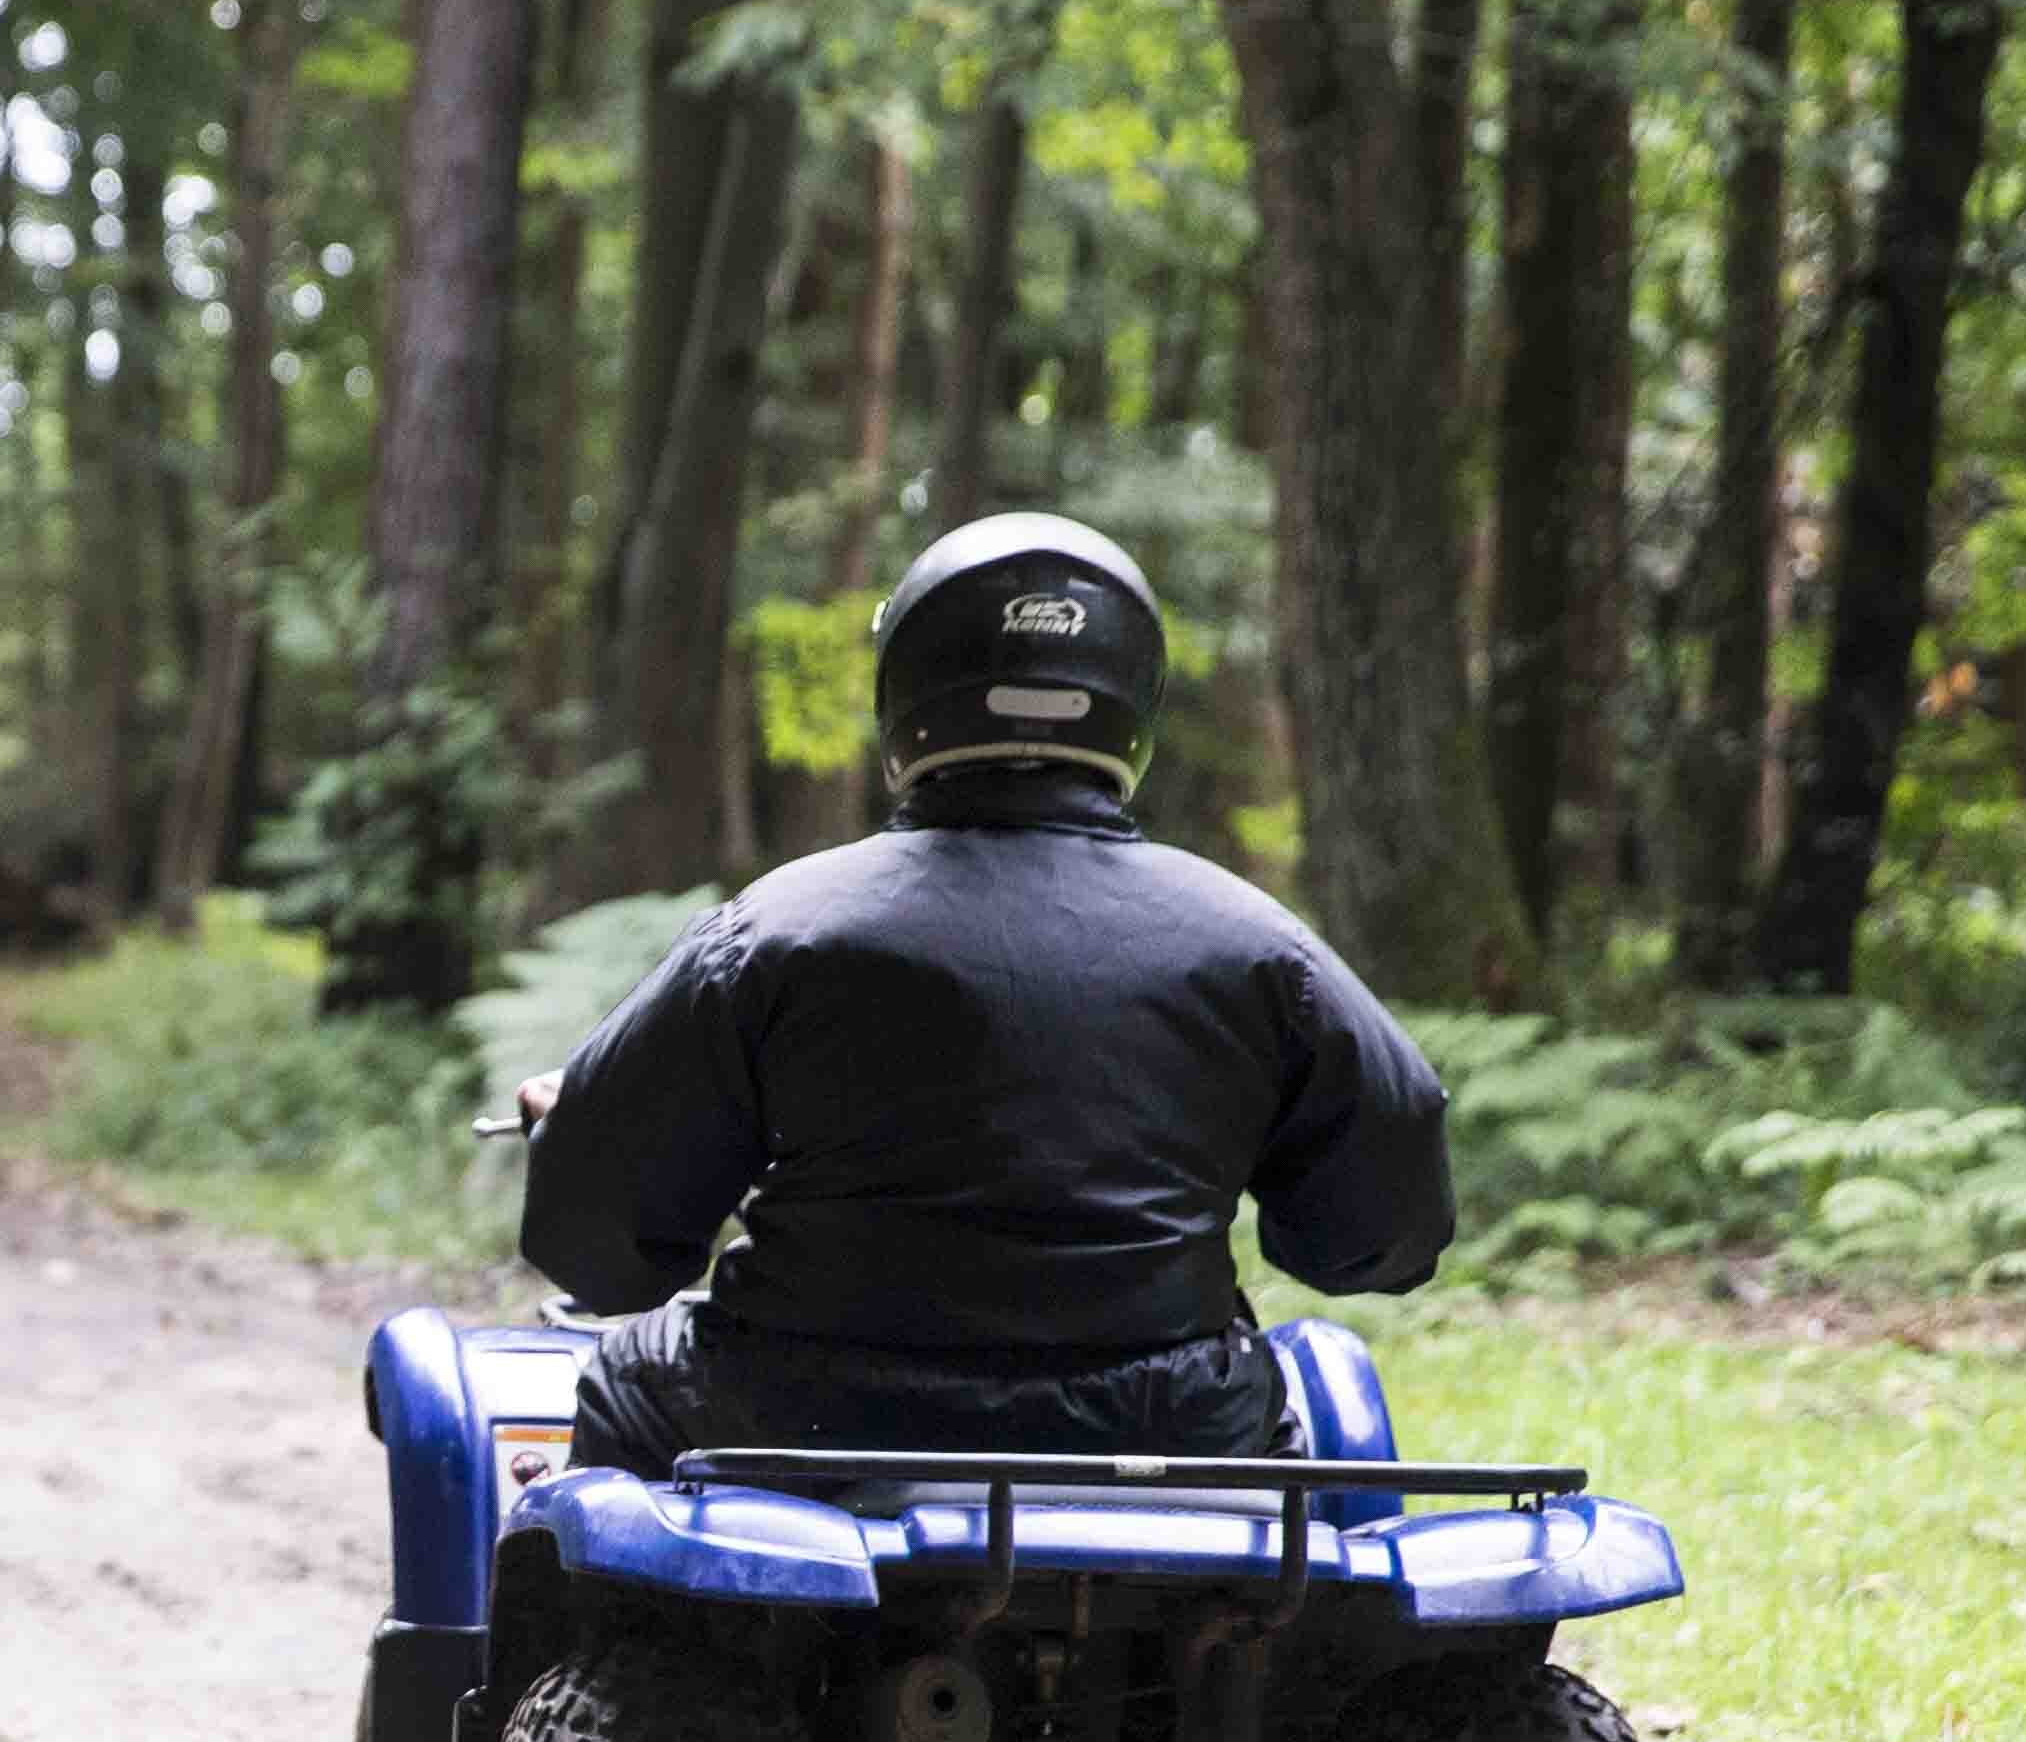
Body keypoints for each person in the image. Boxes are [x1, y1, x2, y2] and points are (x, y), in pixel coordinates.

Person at [515, 513, 1453, 1475]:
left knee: (621, 1379)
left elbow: (602, 1250)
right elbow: (1382, 1233)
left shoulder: (779, 929)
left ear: (907, 694)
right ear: (1133, 699)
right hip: (1163, 1427)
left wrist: (574, 1129)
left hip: (805, 1413)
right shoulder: (1257, 943)